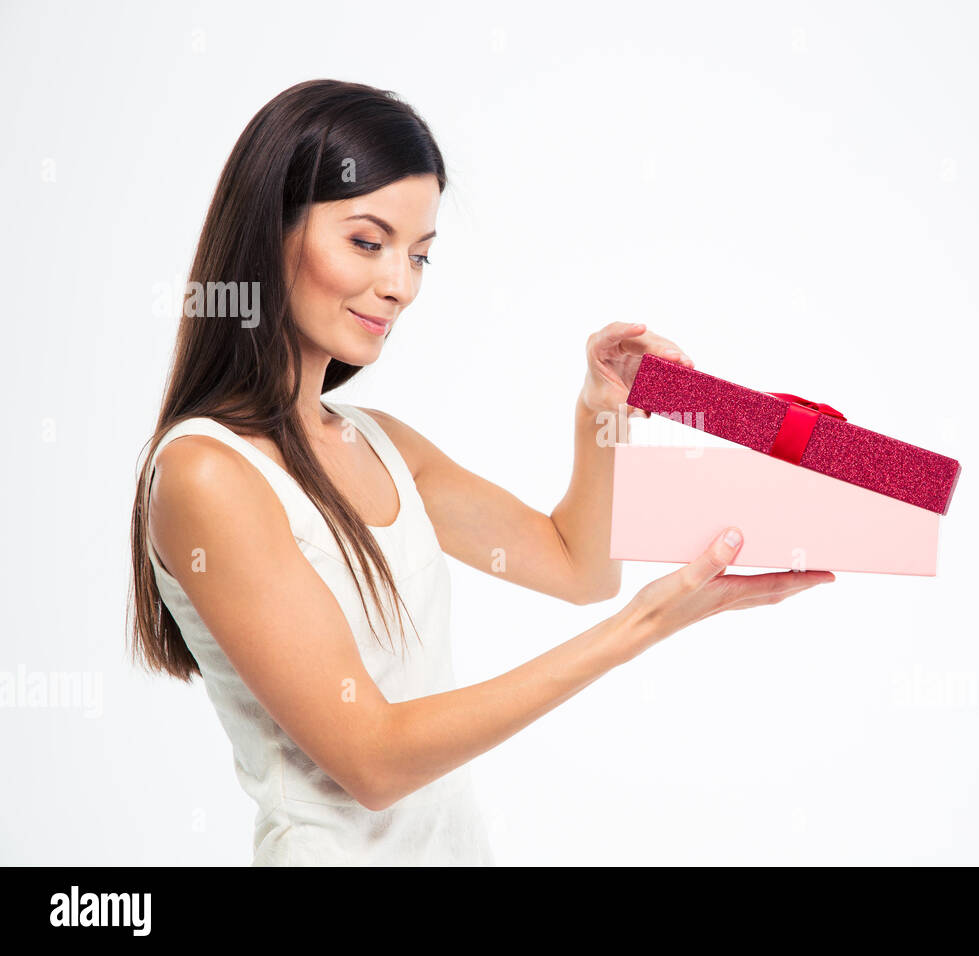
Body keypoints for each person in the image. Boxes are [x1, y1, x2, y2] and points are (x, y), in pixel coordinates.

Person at [127, 78, 835, 866]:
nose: (400, 283)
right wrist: (646, 627)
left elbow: (581, 567)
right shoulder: (205, 474)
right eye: (368, 241)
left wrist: (599, 410)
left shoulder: (381, 443)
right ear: (271, 231)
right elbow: (372, 758)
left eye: (419, 255)